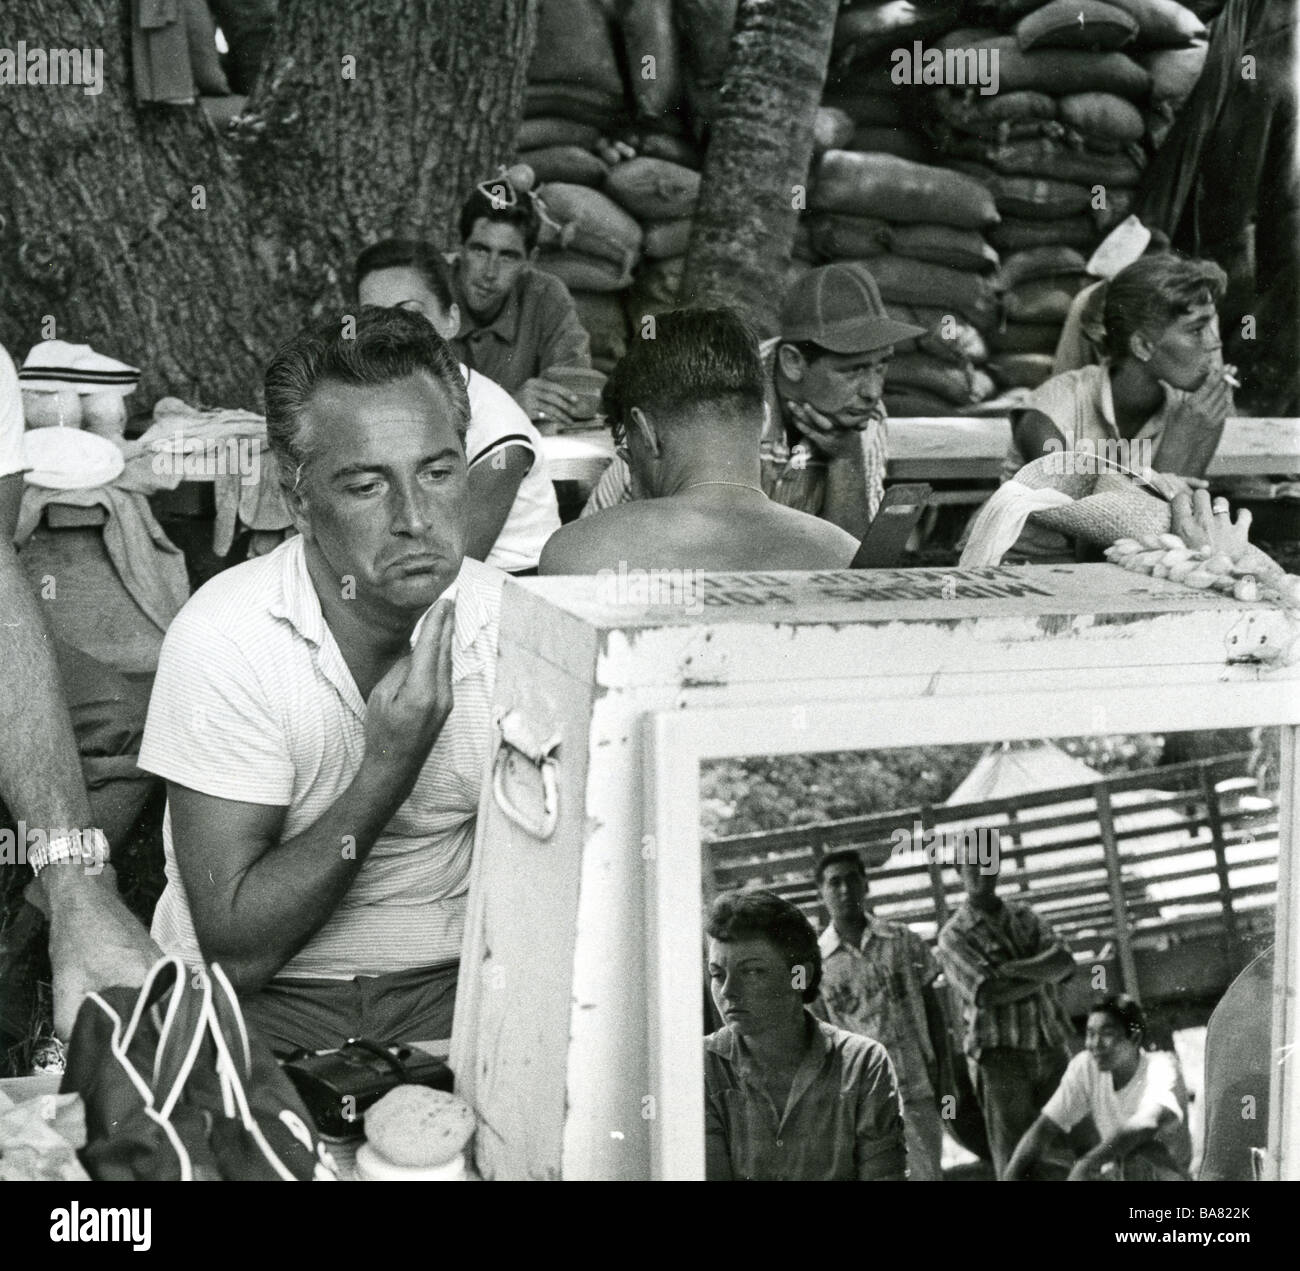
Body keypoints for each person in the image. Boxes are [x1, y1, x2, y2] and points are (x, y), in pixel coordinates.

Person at [136, 307, 505, 1053]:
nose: (415, 519)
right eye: (367, 486)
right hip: (260, 1005)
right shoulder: (228, 639)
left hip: (454, 992)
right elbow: (236, 949)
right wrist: (385, 770)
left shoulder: (510, 628)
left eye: (437, 472)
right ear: (298, 498)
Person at [580, 262, 925, 539]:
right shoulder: (721, 385)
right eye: (853, 370)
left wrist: (846, 459)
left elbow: (856, 567)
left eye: (881, 366)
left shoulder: (863, 415)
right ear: (793, 362)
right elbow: (617, 510)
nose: (872, 391)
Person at [538, 308, 860, 574]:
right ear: (763, 420)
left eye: (627, 444)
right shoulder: (845, 554)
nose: (628, 459)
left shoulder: (577, 554)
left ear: (646, 431)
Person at [1002, 252, 1235, 563]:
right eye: (1196, 330)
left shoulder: (1197, 412)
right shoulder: (1048, 416)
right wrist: (1173, 456)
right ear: (1143, 346)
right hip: (1014, 575)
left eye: (1212, 326)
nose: (1214, 343)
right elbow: (1094, 552)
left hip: (1122, 576)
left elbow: (1170, 538)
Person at [355, 238, 561, 575]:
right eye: (372, 318)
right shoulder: (385, 404)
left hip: (505, 590)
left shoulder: (497, 428)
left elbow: (451, 567)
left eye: (409, 313)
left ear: (451, 320)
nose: (388, 332)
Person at [704, 888, 907, 1181]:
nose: (727, 991)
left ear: (801, 976)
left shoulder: (862, 1064)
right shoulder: (703, 1067)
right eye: (717, 974)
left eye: (751, 972)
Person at [813, 850, 951, 1181]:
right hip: (862, 1100)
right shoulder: (816, 964)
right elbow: (819, 1040)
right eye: (835, 883)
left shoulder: (902, 941)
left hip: (916, 1083)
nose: (845, 889)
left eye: (852, 879)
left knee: (928, 1174)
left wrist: (945, 1073)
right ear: (822, 892)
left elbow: (934, 1012)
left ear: (866, 884)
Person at [937, 857, 1076, 1179]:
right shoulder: (954, 934)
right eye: (970, 866)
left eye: (986, 863)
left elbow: (1065, 962)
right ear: (958, 873)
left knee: (1066, 1149)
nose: (979, 873)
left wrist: (1012, 969)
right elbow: (986, 993)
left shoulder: (1025, 916)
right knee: (1015, 1160)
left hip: (1050, 1045)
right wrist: (1043, 973)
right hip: (1001, 1058)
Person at [448, 175, 593, 426]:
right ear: (460, 247)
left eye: (507, 257)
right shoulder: (428, 289)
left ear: (530, 260)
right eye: (480, 250)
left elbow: (572, 392)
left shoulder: (546, 296)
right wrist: (507, 408)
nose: (490, 273)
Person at [1004, 996, 1192, 1181]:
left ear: (1134, 1038)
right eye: (1090, 1033)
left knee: (1140, 1154)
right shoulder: (1086, 1065)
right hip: (1116, 1171)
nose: (1094, 1044)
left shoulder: (1161, 1067)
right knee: (1037, 1165)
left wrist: (1087, 1163)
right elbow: (1045, 1127)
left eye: (1106, 1034)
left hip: (1163, 1176)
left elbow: (1146, 1123)